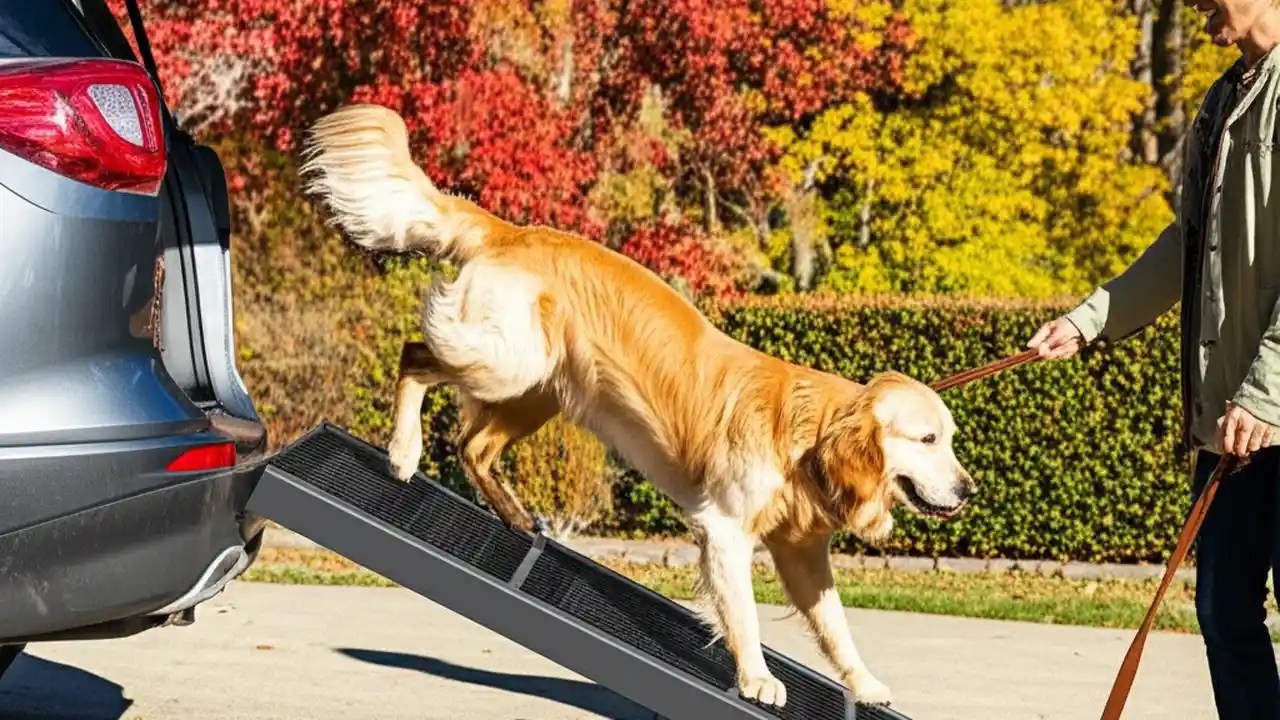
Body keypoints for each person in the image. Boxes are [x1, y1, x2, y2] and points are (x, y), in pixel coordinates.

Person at [1028, 1, 1280, 715]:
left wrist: (1267, 392)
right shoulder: (1223, 99)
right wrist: (1087, 321)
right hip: (1234, 424)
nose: (1193, 5)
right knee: (1223, 611)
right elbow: (1186, 244)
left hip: (1263, 404)